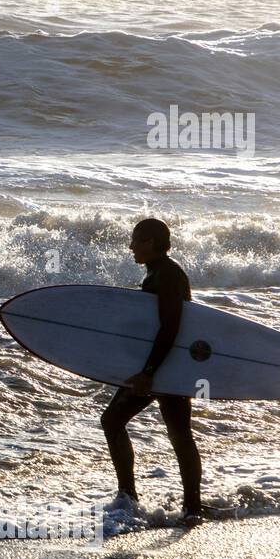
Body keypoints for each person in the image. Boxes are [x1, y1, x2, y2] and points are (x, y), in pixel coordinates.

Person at [101, 218, 203, 525]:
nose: (130, 246)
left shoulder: (167, 275)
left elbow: (171, 327)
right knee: (179, 434)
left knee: (114, 420)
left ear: (151, 242)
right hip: (165, 364)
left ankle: (130, 498)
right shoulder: (159, 273)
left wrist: (148, 373)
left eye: (135, 240)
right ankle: (190, 509)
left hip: (164, 366)